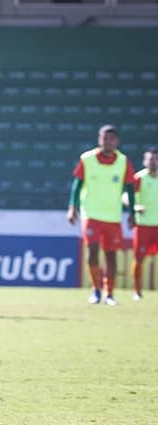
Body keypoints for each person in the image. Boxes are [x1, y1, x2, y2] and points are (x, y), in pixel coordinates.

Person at [67, 124, 135, 306]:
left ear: (117, 141)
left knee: (111, 256)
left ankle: (109, 293)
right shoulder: (87, 159)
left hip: (113, 216)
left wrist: (132, 213)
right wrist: (72, 207)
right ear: (99, 139)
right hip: (91, 214)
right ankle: (95, 290)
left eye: (111, 138)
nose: (108, 141)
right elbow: (77, 185)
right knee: (92, 252)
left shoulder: (123, 161)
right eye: (105, 138)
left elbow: (130, 188)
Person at [132, 147, 158, 300]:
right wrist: (135, 206)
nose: (153, 162)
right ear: (144, 161)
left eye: (155, 159)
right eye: (150, 159)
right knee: (139, 258)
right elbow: (125, 196)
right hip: (143, 225)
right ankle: (137, 291)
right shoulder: (139, 178)